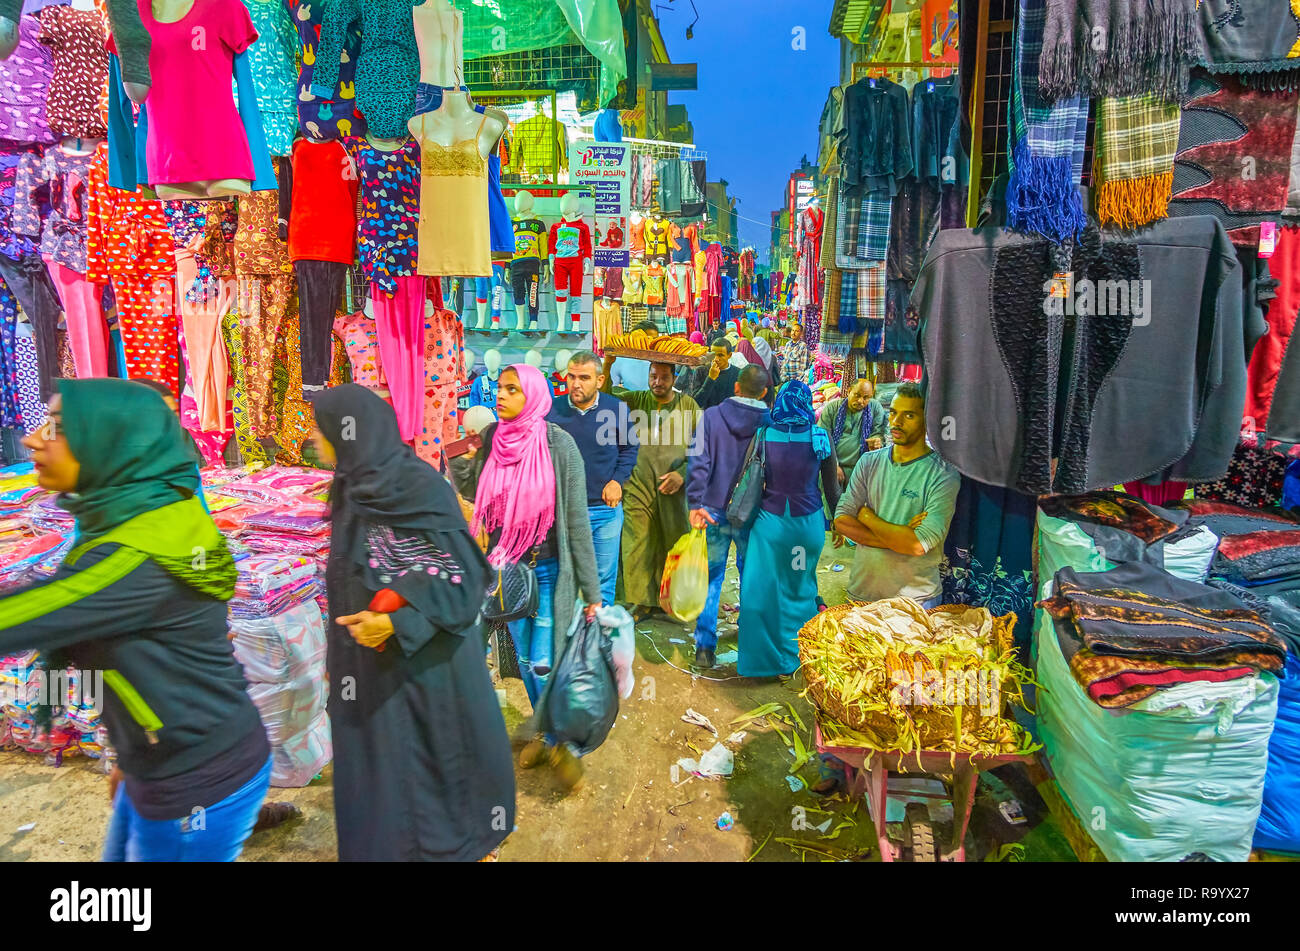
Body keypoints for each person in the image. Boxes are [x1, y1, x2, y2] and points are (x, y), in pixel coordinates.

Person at [0, 379, 270, 861]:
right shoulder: (151, 514)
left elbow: (18, 616)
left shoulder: (132, 559)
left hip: (195, 780)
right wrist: (129, 754)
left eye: (57, 428)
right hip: (163, 760)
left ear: (111, 440)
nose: (32, 439)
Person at [310, 385, 514, 861]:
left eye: (322, 431)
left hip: (428, 670)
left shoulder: (418, 488)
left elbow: (465, 580)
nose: (315, 440)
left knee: (432, 781)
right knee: (382, 785)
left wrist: (398, 625)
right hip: (369, 671)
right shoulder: (352, 485)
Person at [466, 363, 601, 790]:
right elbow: (479, 499)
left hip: (547, 571)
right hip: (507, 572)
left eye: (512, 389)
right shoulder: (493, 439)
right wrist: (462, 458)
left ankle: (563, 741)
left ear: (534, 395)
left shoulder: (559, 445)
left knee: (544, 663)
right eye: (500, 388)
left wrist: (592, 592)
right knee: (524, 660)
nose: (501, 395)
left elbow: (577, 521)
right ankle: (546, 734)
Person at [738, 381, 841, 678]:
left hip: (769, 526)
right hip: (806, 528)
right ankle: (797, 658)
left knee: (762, 591)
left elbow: (746, 475)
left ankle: (763, 663)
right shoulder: (820, 436)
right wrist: (839, 522)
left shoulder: (763, 434)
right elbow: (832, 489)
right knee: (799, 589)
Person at [832, 383, 960, 608]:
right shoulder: (869, 462)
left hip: (915, 601)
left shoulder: (942, 473)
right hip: (862, 593)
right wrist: (898, 538)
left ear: (928, 419)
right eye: (893, 413)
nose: (896, 422)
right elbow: (841, 520)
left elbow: (917, 544)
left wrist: (867, 517)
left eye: (909, 415)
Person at [601, 353, 700, 622]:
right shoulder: (635, 400)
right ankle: (641, 602)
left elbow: (703, 451)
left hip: (674, 490)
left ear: (674, 379)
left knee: (673, 542)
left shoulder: (689, 406)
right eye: (653, 376)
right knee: (637, 544)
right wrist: (608, 365)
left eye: (664, 377)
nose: (657, 382)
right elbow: (605, 400)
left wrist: (682, 474)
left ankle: (671, 600)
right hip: (638, 485)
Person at [686, 364, 770, 668]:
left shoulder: (711, 416)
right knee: (751, 574)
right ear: (763, 392)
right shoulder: (769, 422)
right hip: (751, 511)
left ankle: (704, 648)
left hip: (712, 509)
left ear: (736, 386)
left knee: (711, 577)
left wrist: (695, 502)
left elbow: (698, 462)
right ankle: (749, 641)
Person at [548, 351, 639, 606]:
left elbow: (630, 448)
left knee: (603, 582)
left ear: (600, 380)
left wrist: (617, 481)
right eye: (571, 377)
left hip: (604, 511)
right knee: (565, 579)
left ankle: (599, 629)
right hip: (564, 512)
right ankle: (570, 629)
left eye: (584, 378)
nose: (576, 384)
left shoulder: (616, 408)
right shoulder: (552, 411)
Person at [819, 379, 887, 487]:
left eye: (866, 397)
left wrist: (877, 440)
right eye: (857, 395)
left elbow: (879, 432)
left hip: (863, 468)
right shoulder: (832, 409)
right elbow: (822, 439)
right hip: (834, 467)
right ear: (849, 391)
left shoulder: (874, 408)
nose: (860, 401)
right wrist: (833, 466)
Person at [693, 335, 741, 410]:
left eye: (720, 355)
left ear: (729, 355)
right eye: (713, 354)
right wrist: (710, 378)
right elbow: (696, 403)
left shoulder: (738, 373)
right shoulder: (701, 371)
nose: (716, 359)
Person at [609, 319, 658, 391]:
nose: (652, 343)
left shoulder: (662, 360)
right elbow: (612, 388)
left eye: (655, 339)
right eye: (647, 339)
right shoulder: (620, 360)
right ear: (633, 340)